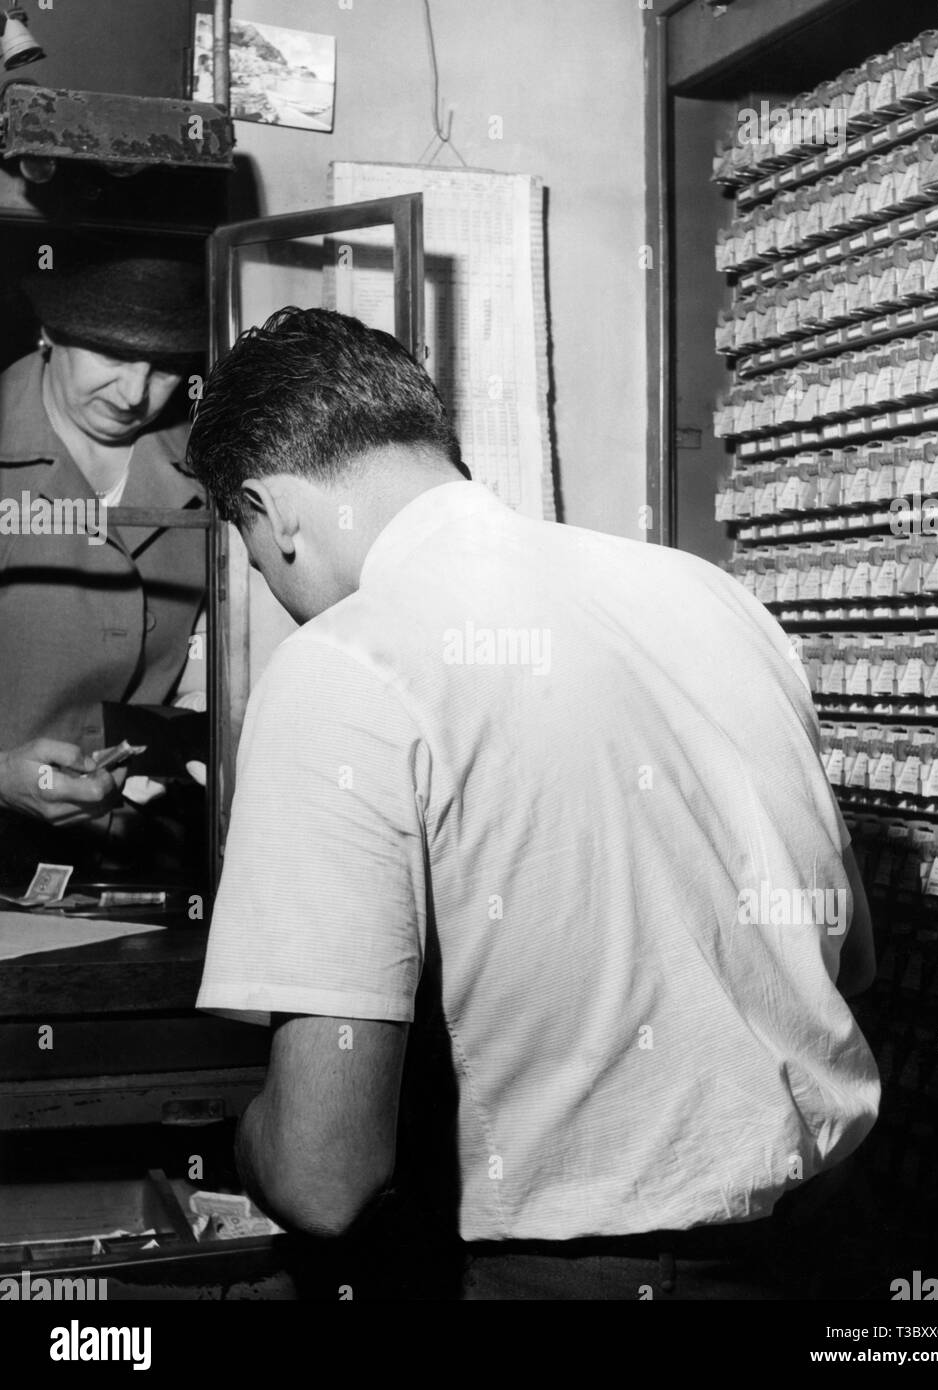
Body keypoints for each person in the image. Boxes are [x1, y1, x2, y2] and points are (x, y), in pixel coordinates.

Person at [191, 307, 880, 1301]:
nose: (280, 594)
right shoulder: (712, 597)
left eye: (259, 568)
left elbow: (323, 1175)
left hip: (573, 1280)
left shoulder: (341, 665)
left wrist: (246, 1140)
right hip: (828, 1252)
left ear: (271, 512)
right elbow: (847, 957)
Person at [0, 237, 209, 888]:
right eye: (114, 353)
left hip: (140, 871)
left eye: (167, 363)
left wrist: (193, 737)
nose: (135, 392)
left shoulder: (207, 464)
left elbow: (209, 649)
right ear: (48, 331)